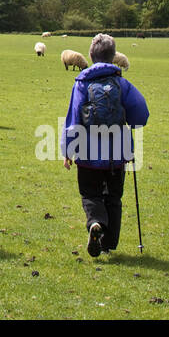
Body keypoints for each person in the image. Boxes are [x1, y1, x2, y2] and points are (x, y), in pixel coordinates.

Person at [61, 33, 149, 257]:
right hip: (117, 155)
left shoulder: (81, 84)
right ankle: (108, 243)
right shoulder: (122, 83)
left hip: (88, 154)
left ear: (90, 56)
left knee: (90, 194)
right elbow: (141, 114)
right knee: (113, 197)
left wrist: (67, 151)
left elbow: (73, 120)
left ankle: (95, 223)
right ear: (113, 56)